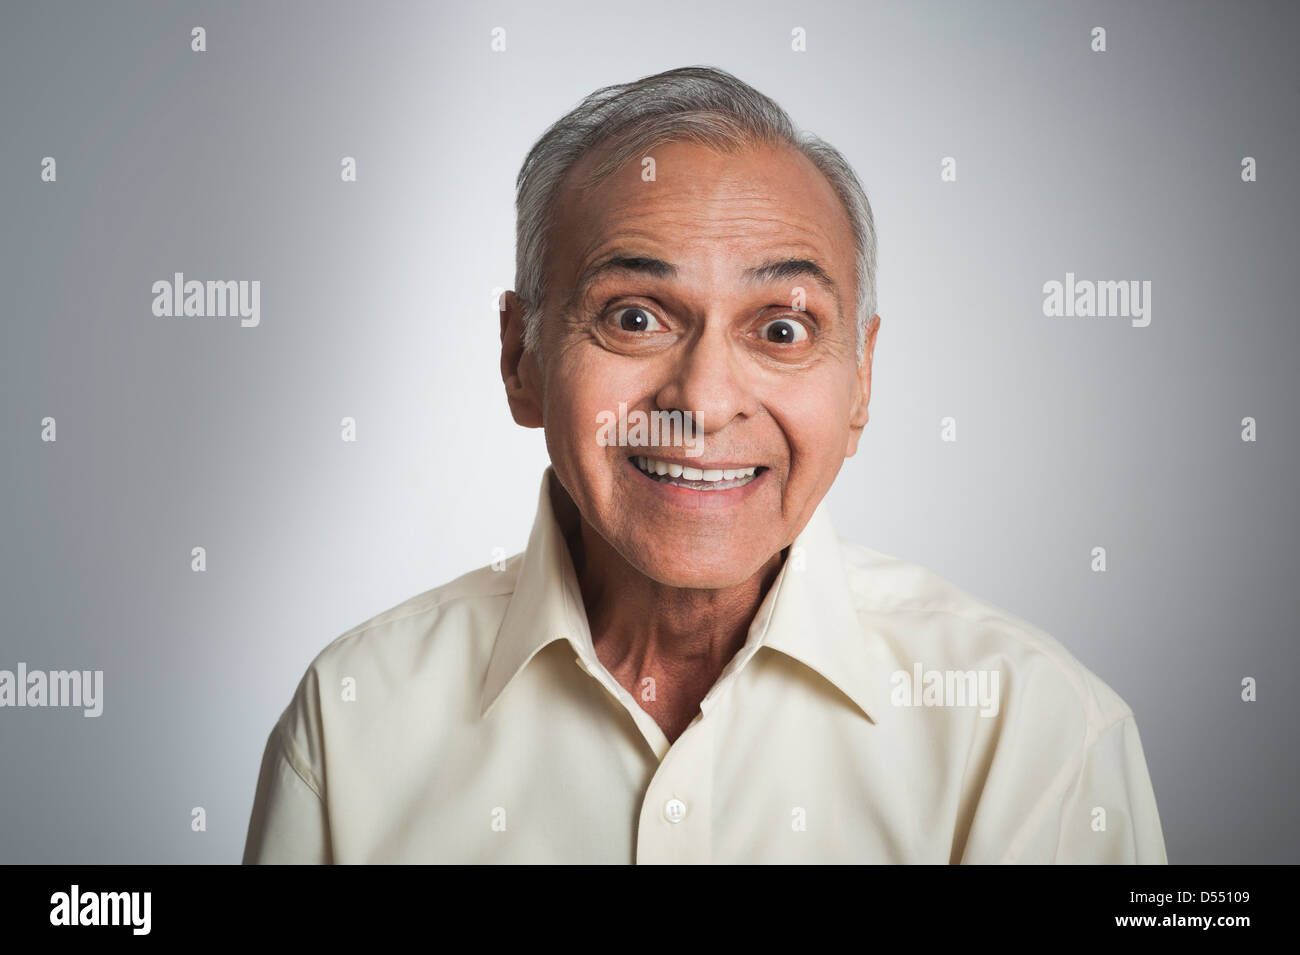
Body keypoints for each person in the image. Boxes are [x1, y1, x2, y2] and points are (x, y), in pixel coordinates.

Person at [243, 65, 1167, 864]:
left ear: (861, 383)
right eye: (635, 316)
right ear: (520, 359)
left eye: (782, 329)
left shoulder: (1034, 735)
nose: (705, 399)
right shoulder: (353, 721)